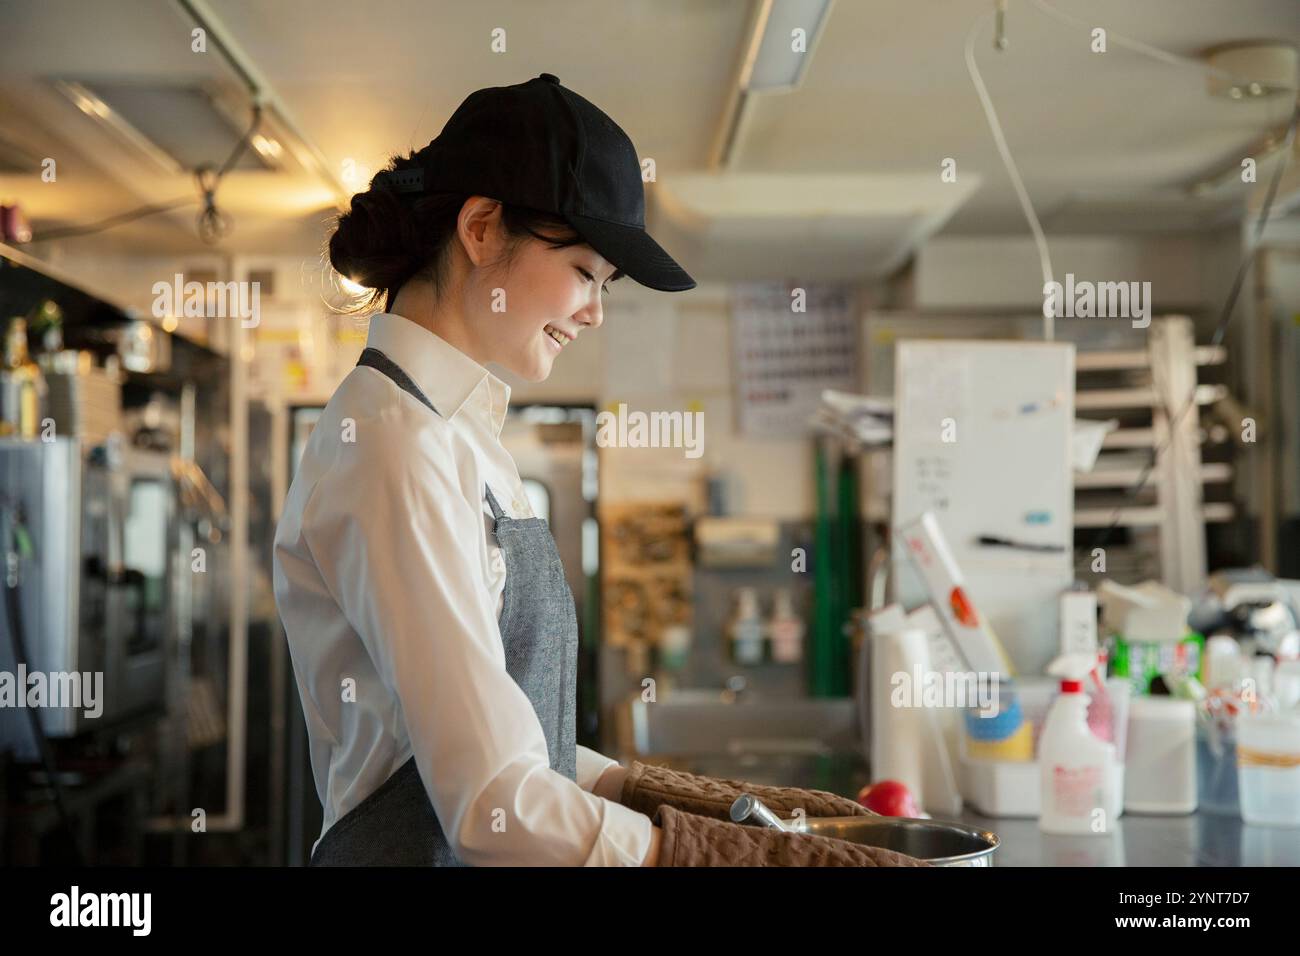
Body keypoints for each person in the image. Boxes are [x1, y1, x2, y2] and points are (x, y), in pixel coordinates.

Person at [273, 73, 919, 868]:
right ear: (481, 228)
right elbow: (493, 802)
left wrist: (671, 801)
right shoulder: (395, 446)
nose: (596, 312)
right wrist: (722, 860)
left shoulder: (463, 439)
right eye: (584, 271)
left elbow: (521, 744)